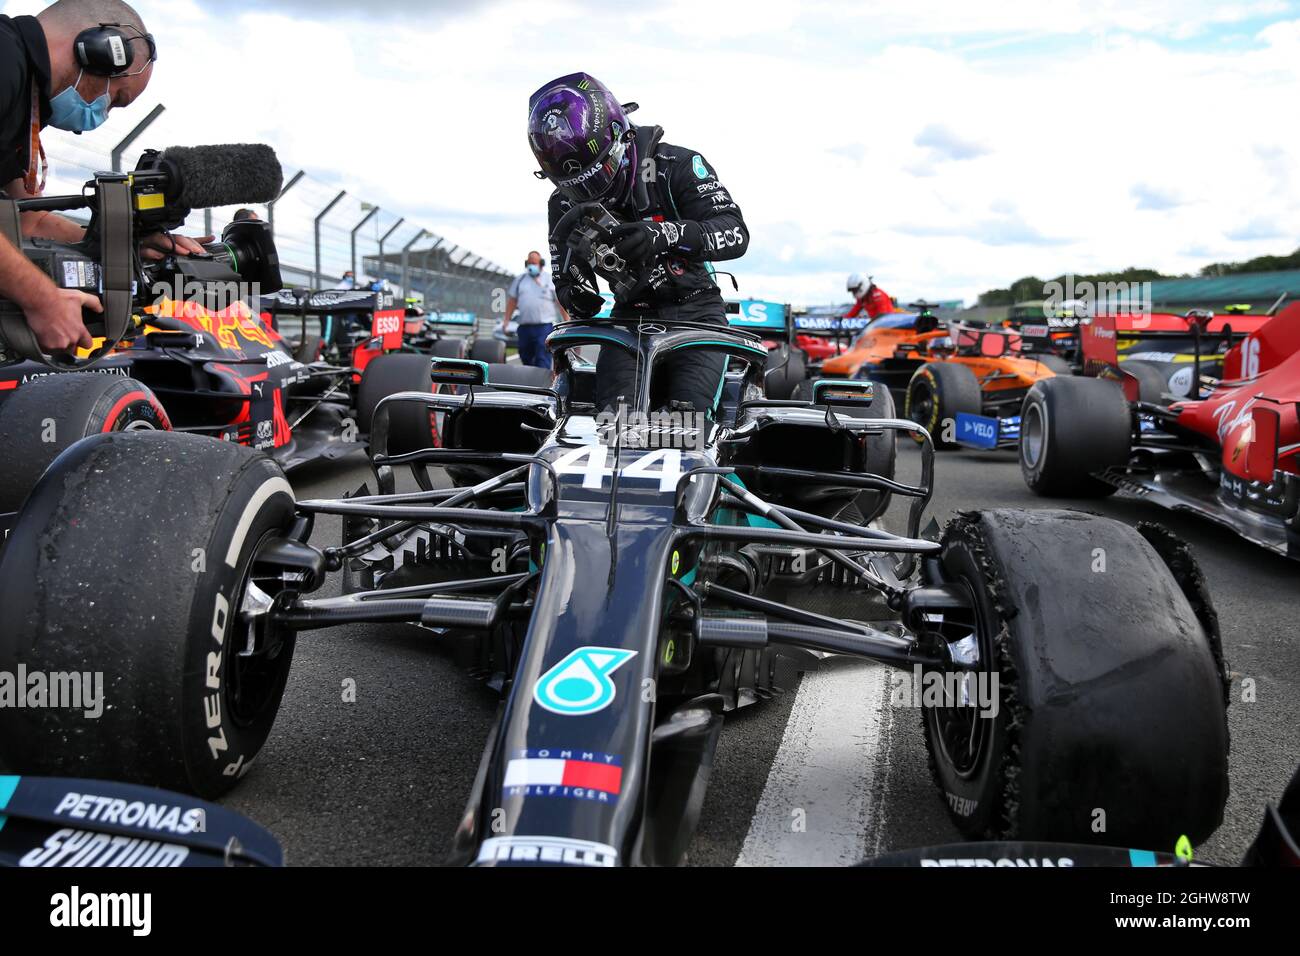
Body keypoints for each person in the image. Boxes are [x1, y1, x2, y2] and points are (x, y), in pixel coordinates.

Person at [528, 72, 749, 414]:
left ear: (621, 137)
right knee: (614, 424)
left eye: (597, 175)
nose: (590, 191)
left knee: (688, 424)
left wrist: (664, 235)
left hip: (696, 313)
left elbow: (735, 233)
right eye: (576, 185)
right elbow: (571, 290)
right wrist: (578, 293)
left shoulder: (676, 166)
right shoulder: (562, 204)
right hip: (629, 319)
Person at [0, 0, 211, 353]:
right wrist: (42, 299)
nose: (104, 112)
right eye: (115, 98)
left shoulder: (26, 103)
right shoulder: (5, 61)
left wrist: (121, 246)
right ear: (98, 51)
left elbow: (29, 220)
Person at [503, 250, 568, 370]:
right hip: (524, 327)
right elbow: (512, 301)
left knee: (542, 356)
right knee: (524, 355)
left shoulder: (549, 279)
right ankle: (530, 378)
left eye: (534, 263)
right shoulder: (520, 280)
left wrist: (566, 320)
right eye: (529, 263)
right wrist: (506, 321)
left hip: (544, 327)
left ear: (541, 264)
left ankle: (542, 380)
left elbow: (559, 302)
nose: (531, 265)